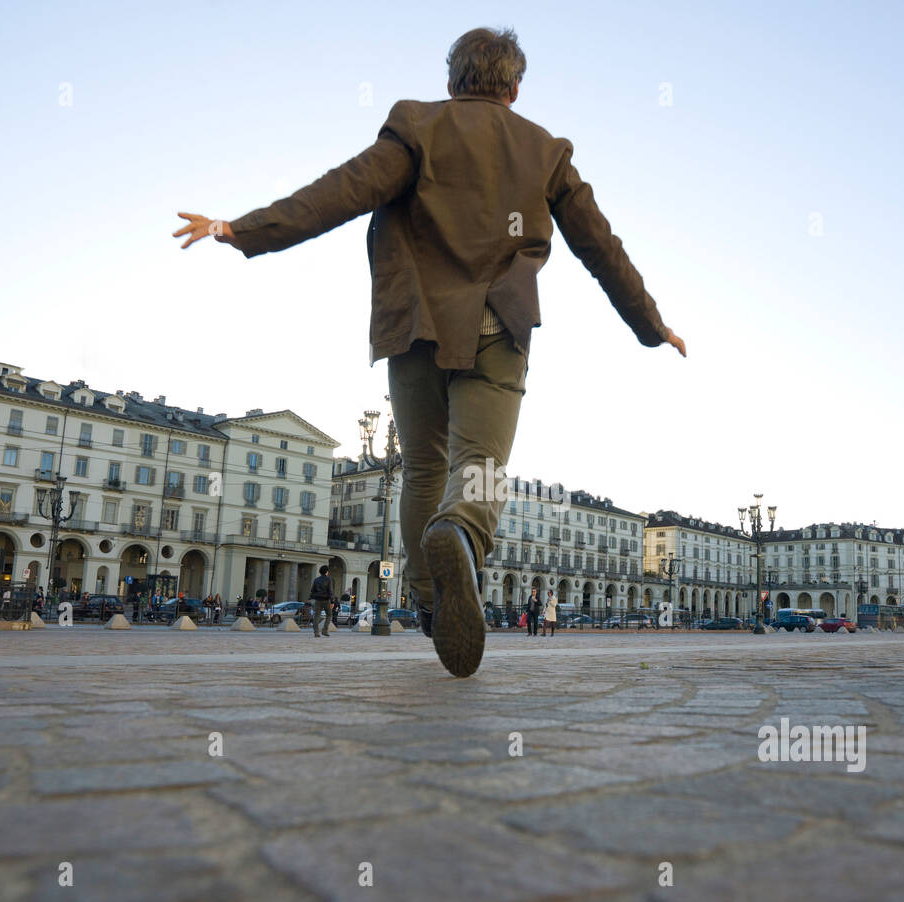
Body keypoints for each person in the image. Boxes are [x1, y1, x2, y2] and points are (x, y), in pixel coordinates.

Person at [176, 27, 684, 677]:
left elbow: (340, 192)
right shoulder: (545, 150)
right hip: (499, 325)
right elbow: (600, 246)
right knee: (481, 465)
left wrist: (240, 229)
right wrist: (651, 325)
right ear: (515, 86)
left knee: (421, 466)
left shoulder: (416, 126)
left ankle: (425, 599)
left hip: (414, 324)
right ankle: (462, 533)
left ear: (452, 80)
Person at [309, 565, 336, 638]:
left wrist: (312, 598)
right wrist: (332, 601)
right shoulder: (329, 579)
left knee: (316, 616)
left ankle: (316, 633)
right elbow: (330, 591)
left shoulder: (316, 580)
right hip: (326, 600)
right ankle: (325, 630)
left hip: (317, 600)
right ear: (327, 572)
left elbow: (312, 591)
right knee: (329, 615)